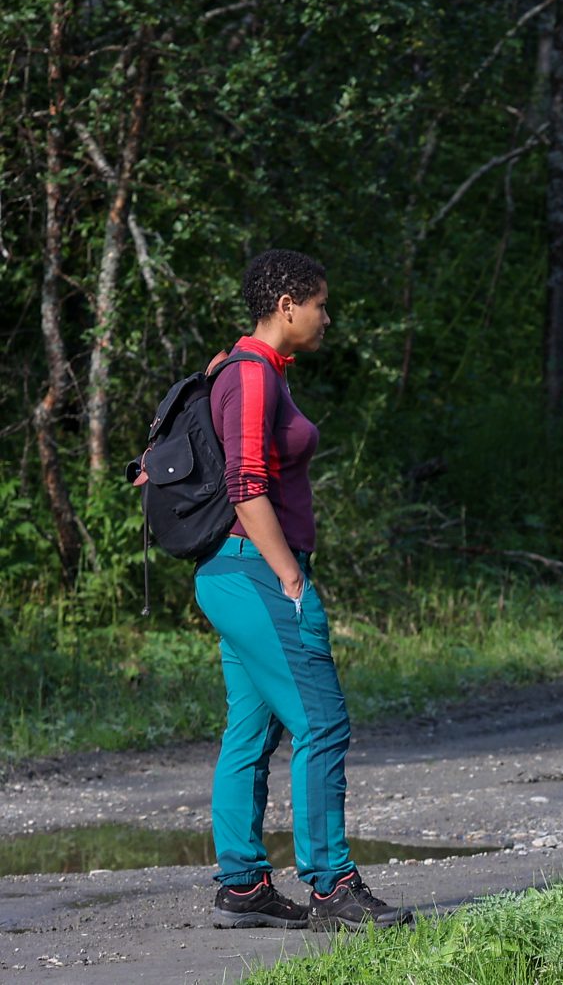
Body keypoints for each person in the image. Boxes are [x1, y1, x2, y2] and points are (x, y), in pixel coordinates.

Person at [197, 250, 409, 932]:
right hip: (256, 572)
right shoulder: (251, 376)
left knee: (252, 731)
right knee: (322, 722)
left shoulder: (245, 370)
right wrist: (291, 574)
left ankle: (242, 886)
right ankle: (332, 888)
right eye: (320, 303)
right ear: (286, 305)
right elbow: (245, 486)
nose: (327, 316)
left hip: (234, 572)